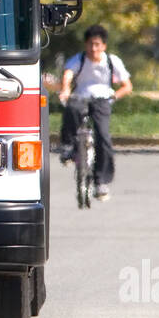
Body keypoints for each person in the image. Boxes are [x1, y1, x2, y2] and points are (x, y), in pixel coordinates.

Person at [58, 25, 131, 201]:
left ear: (104, 46)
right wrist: (65, 89)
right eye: (90, 44)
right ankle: (68, 147)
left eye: (97, 45)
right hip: (82, 97)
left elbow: (127, 86)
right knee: (72, 108)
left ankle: (101, 182)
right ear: (86, 44)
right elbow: (68, 74)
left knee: (103, 137)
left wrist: (114, 96)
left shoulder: (112, 61)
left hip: (103, 100)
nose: (93, 49)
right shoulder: (80, 59)